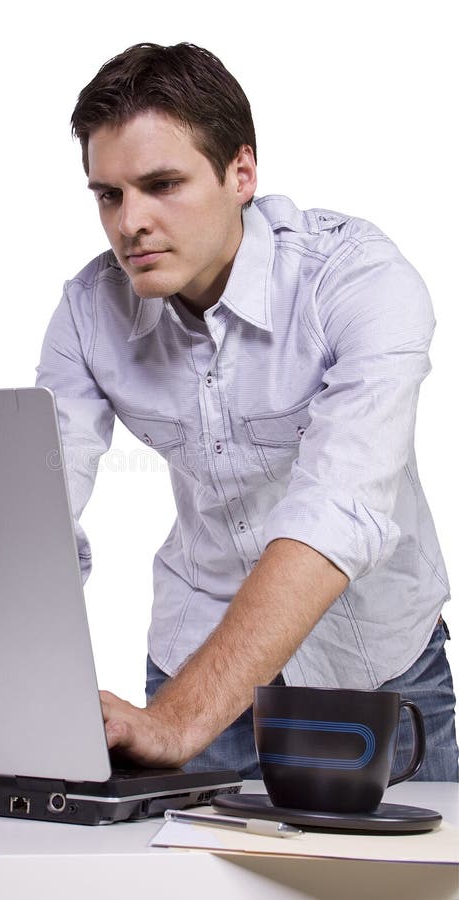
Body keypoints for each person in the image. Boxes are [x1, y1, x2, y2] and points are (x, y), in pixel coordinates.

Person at [36, 42, 458, 780]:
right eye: (109, 194)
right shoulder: (85, 313)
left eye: (161, 183)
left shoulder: (358, 281)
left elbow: (337, 512)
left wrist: (179, 720)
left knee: (407, 891)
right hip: (193, 655)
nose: (129, 222)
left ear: (242, 173)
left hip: (375, 669)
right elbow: (38, 507)